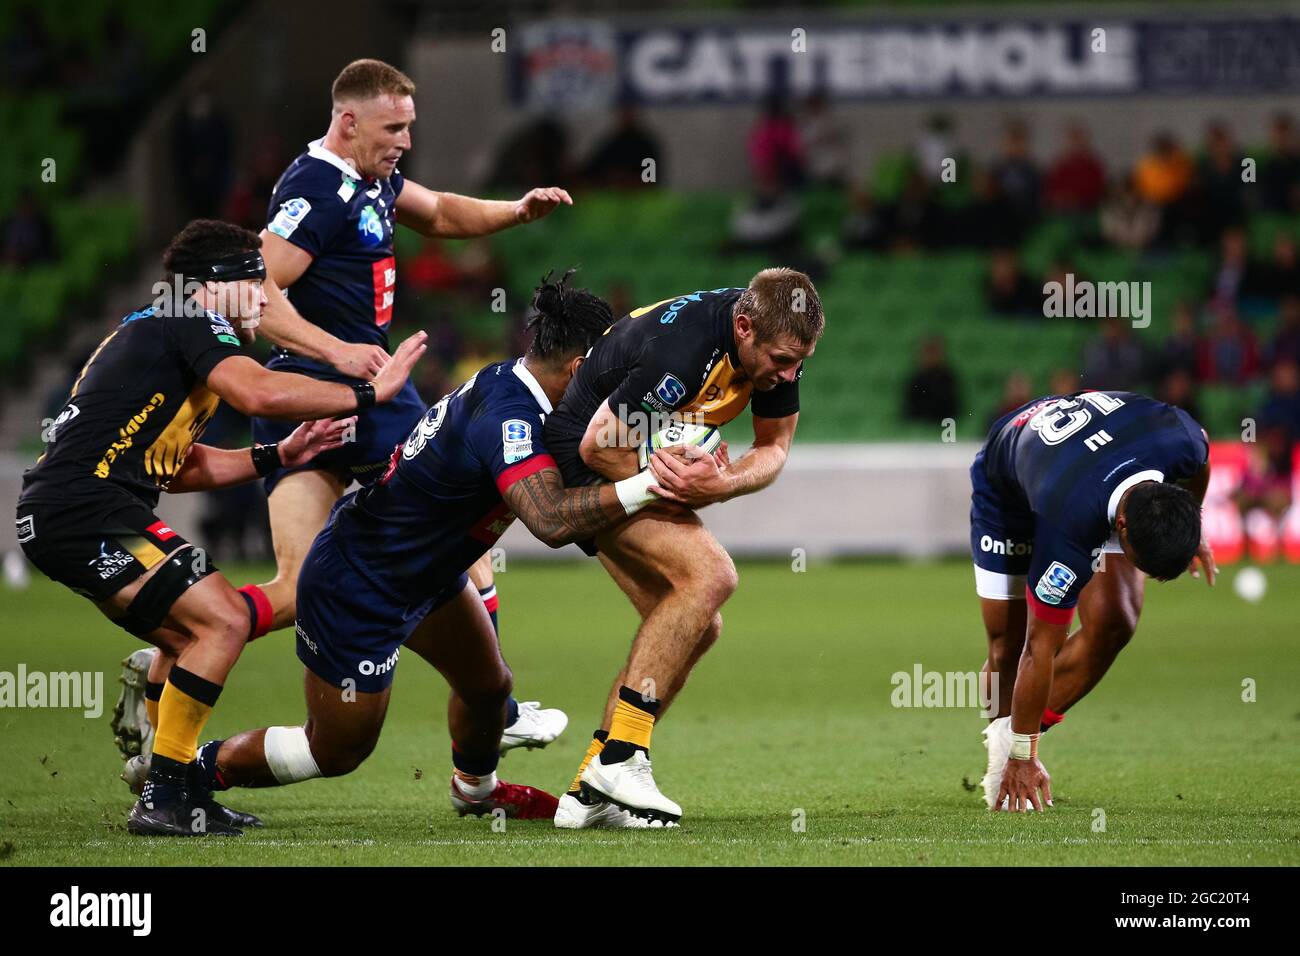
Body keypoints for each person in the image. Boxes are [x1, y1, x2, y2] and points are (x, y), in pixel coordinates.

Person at [118, 58, 571, 768]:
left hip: (328, 402)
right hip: (350, 394)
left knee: (299, 588)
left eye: (410, 127)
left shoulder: (374, 176)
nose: (405, 142)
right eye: (394, 127)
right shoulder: (315, 188)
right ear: (348, 121)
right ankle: (499, 709)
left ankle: (166, 665)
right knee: (469, 500)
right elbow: (256, 287)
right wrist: (342, 354)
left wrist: (514, 212)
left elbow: (442, 211)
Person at [191, 273, 661, 823]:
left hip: (425, 575)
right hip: (360, 583)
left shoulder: (516, 388)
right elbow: (551, 520)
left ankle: (476, 791)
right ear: (580, 370)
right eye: (609, 371)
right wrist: (649, 484)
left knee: (489, 687)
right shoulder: (509, 418)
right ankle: (188, 769)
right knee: (337, 750)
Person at [14, 220, 427, 836]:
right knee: (227, 618)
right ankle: (167, 796)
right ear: (215, 285)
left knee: (189, 637)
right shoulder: (190, 319)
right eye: (256, 279)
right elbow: (257, 393)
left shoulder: (161, 330)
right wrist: (370, 395)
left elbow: (176, 468)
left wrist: (277, 456)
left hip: (82, 511)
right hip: (87, 509)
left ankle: (168, 787)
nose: (266, 294)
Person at [542, 268, 824, 827]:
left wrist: (723, 484)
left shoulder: (774, 342)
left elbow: (775, 446)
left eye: (800, 363)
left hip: (620, 456)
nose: (790, 374)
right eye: (783, 361)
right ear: (743, 327)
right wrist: (663, 478)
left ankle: (587, 794)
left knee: (700, 621)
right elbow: (599, 445)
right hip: (583, 467)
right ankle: (623, 755)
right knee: (712, 577)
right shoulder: (683, 353)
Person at [970, 391, 1214, 812]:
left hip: (1092, 460)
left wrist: (1193, 524)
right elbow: (1040, 645)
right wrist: (1024, 757)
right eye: (1147, 565)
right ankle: (1007, 754)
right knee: (1008, 647)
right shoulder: (1067, 530)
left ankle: (1019, 737)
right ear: (1121, 526)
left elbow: (1203, 458)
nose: (1151, 577)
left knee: (1115, 620)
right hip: (1008, 486)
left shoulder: (1182, 440)